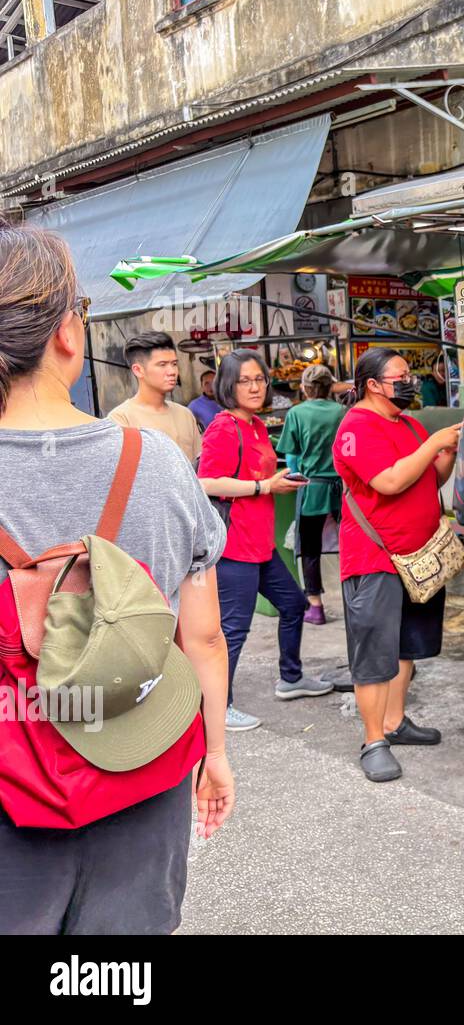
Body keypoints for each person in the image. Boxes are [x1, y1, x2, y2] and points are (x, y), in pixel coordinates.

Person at [0, 226, 233, 934]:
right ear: (68, 332)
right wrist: (214, 752)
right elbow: (203, 636)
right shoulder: (158, 463)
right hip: (141, 768)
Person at [333, 348, 461, 782]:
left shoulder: (408, 423)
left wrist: (445, 454)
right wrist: (432, 445)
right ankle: (373, 740)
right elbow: (388, 481)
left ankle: (395, 720)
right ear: (373, 384)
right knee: (374, 654)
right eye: (401, 376)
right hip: (375, 558)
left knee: (407, 647)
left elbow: (429, 478)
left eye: (410, 374)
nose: (411, 382)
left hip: (419, 556)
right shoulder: (355, 428)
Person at [198, 349, 333, 732]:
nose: (255, 387)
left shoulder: (255, 426)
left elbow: (258, 476)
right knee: (234, 630)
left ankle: (291, 678)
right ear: (228, 385)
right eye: (245, 380)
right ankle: (218, 707)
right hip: (234, 547)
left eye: (259, 379)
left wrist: (280, 481)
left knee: (292, 605)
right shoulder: (224, 427)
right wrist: (262, 486)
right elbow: (206, 482)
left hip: (261, 545)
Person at [278, 364, 346, 626]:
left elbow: (292, 458)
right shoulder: (342, 411)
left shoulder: (296, 413)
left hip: (312, 490)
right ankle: (358, 597)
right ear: (330, 387)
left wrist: (297, 473)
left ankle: (315, 606)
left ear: (305, 389)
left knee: (310, 548)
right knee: (352, 543)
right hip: (343, 489)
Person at [108, 330, 203, 463]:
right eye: (162, 365)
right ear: (138, 370)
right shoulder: (121, 419)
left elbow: (199, 466)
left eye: (174, 364)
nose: (172, 372)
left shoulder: (185, 414)